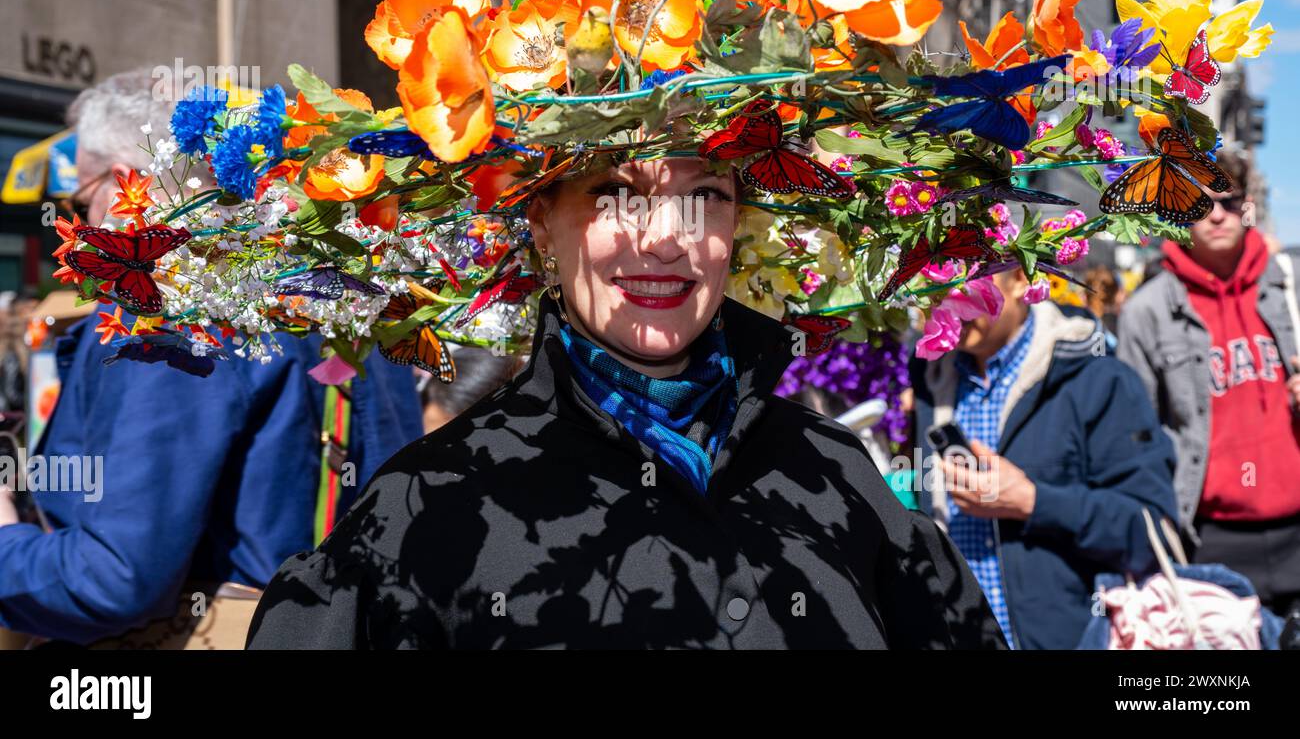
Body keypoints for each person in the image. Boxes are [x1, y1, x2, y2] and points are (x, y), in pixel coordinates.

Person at [247, 156, 1007, 649]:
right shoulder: (429, 501)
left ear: (737, 226)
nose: (664, 240)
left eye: (703, 195)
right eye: (616, 194)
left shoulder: (834, 471)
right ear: (541, 221)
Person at [0, 69, 423, 646]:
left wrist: (6, 543)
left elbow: (113, 578)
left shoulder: (168, 319)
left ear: (126, 185)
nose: (77, 227)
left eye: (81, 201)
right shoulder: (344, 290)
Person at [911, 268, 1178, 650]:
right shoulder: (931, 381)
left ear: (1020, 280)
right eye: (933, 285)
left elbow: (1153, 532)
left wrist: (1033, 502)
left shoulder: (1098, 379)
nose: (946, 302)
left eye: (963, 284)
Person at [1117, 148, 1300, 618]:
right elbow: (1136, 437)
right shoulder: (1148, 311)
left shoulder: (1291, 285)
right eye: (1200, 203)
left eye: (1229, 202)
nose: (1217, 215)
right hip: (1209, 538)